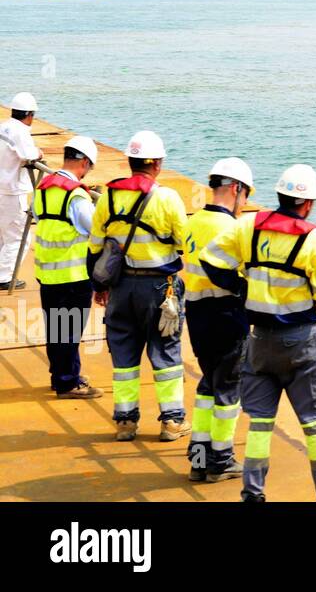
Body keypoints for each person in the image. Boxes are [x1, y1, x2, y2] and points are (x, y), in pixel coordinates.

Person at [198, 164, 316, 502]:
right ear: (307, 204)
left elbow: (211, 259)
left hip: (259, 340)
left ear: (279, 195)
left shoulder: (249, 225)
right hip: (301, 342)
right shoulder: (311, 236)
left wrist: (242, 288)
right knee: (315, 421)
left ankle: (252, 493)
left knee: (260, 424)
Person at [87, 130, 191, 442]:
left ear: (130, 162)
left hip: (120, 288)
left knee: (123, 356)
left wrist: (100, 285)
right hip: (161, 289)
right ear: (157, 163)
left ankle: (125, 422)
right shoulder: (168, 198)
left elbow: (95, 247)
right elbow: (186, 244)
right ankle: (172, 421)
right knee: (166, 352)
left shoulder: (109, 197)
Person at [181, 157, 255, 483]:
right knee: (228, 389)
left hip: (196, 315)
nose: (245, 204)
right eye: (246, 195)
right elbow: (246, 275)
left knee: (207, 385)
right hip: (227, 317)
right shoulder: (234, 229)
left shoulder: (192, 222)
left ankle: (198, 459)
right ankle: (221, 460)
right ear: (236, 189)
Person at [32, 136, 101, 399]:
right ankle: (66, 382)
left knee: (56, 328)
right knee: (69, 331)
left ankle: (63, 374)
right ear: (84, 162)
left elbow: (37, 215)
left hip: (47, 273)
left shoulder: (43, 188)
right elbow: (94, 228)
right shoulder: (77, 195)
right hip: (73, 276)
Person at [0, 91, 42, 291]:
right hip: (12, 191)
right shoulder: (20, 131)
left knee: (2, 236)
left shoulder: (3, 127)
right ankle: (4, 278)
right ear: (29, 115)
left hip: (1, 188)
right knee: (18, 238)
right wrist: (39, 152)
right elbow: (29, 154)